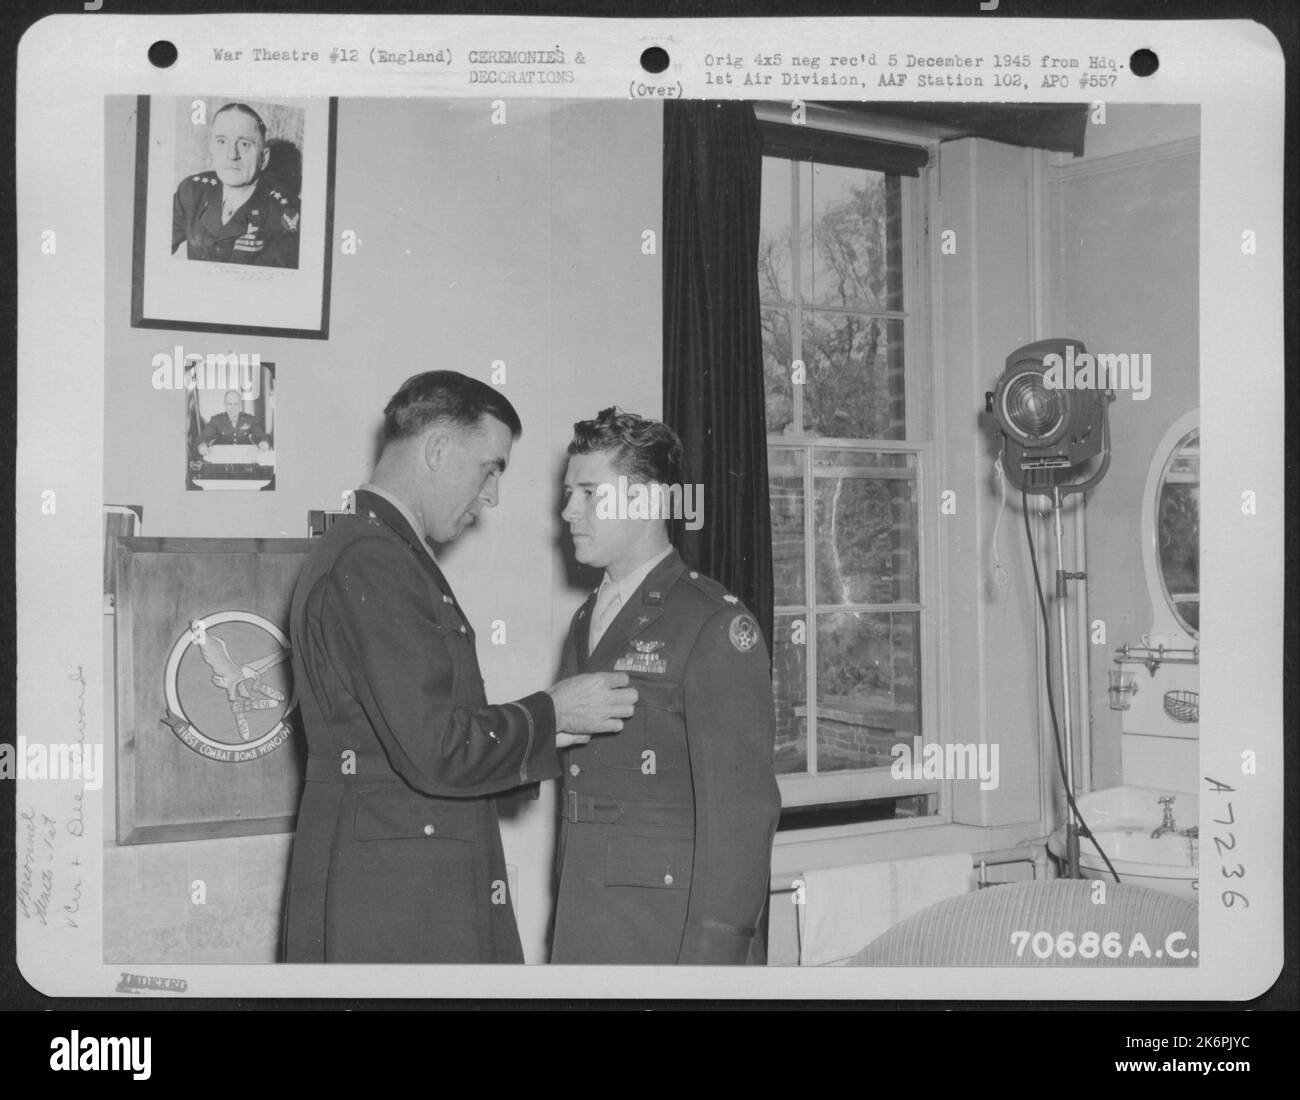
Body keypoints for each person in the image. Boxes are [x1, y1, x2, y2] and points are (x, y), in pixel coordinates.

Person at [282, 373, 637, 963]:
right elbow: (435, 748)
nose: (492, 494)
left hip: (395, 871)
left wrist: (552, 725)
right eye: (490, 468)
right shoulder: (376, 560)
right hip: (400, 896)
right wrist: (551, 712)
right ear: (439, 449)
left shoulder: (377, 548)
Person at [550, 408, 781, 965]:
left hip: (668, 943)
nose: (567, 511)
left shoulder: (713, 624)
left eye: (588, 493)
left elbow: (741, 820)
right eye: (568, 493)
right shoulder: (588, 620)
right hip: (587, 928)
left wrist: (709, 969)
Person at [172, 102, 301, 268]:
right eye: (222, 141)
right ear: (211, 147)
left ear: (264, 158)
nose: (232, 154)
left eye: (244, 144)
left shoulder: (285, 214)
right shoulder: (192, 191)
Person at [197, 390, 270, 455]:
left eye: (236, 404)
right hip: (222, 457)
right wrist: (202, 445)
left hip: (244, 456)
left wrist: (263, 443)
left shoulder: (249, 419)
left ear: (240, 404)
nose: (233, 408)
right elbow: (204, 436)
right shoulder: (216, 420)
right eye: (230, 404)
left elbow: (260, 436)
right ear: (225, 404)